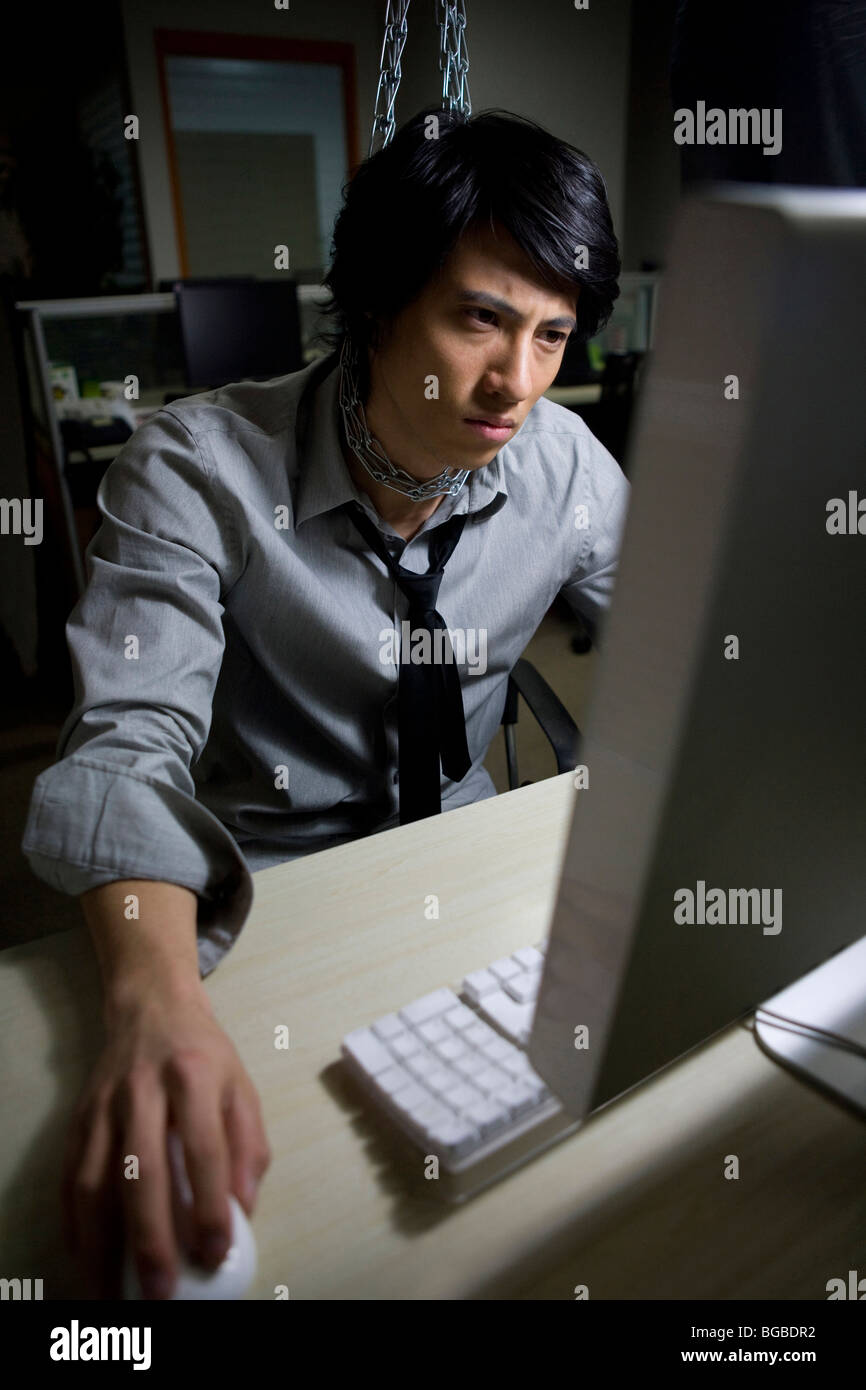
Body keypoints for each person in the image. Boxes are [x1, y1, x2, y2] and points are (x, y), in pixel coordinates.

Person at [21, 105, 629, 1298]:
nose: (517, 381)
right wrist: (153, 1007)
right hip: (261, 904)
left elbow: (695, 631)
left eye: (553, 336)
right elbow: (123, 747)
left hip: (463, 882)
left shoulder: (559, 464)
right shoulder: (193, 468)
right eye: (480, 320)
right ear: (376, 300)